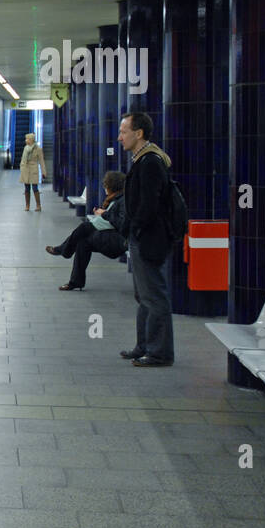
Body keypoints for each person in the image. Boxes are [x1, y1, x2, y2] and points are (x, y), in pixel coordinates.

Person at [115, 111, 174, 367]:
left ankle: (160, 352)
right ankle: (144, 346)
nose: (119, 137)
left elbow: (149, 204)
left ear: (138, 133)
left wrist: (134, 228)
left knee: (154, 296)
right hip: (143, 237)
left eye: (123, 132)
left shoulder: (150, 162)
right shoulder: (143, 159)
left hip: (149, 239)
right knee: (143, 296)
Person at [45, 170, 127, 291]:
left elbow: (121, 224)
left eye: (106, 185)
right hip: (110, 236)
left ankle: (63, 250)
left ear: (112, 186)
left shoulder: (122, 201)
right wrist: (103, 213)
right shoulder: (114, 199)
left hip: (119, 241)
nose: (104, 188)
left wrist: (104, 214)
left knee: (85, 227)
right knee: (83, 243)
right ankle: (75, 281)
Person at [19, 132, 46, 211]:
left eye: (27, 139)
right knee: (26, 188)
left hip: (33, 169)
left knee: (35, 188)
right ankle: (27, 205)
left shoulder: (38, 149)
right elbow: (23, 159)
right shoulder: (26, 148)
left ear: (31, 140)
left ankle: (38, 205)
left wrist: (44, 172)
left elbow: (41, 161)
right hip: (25, 169)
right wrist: (22, 167)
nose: (26, 140)